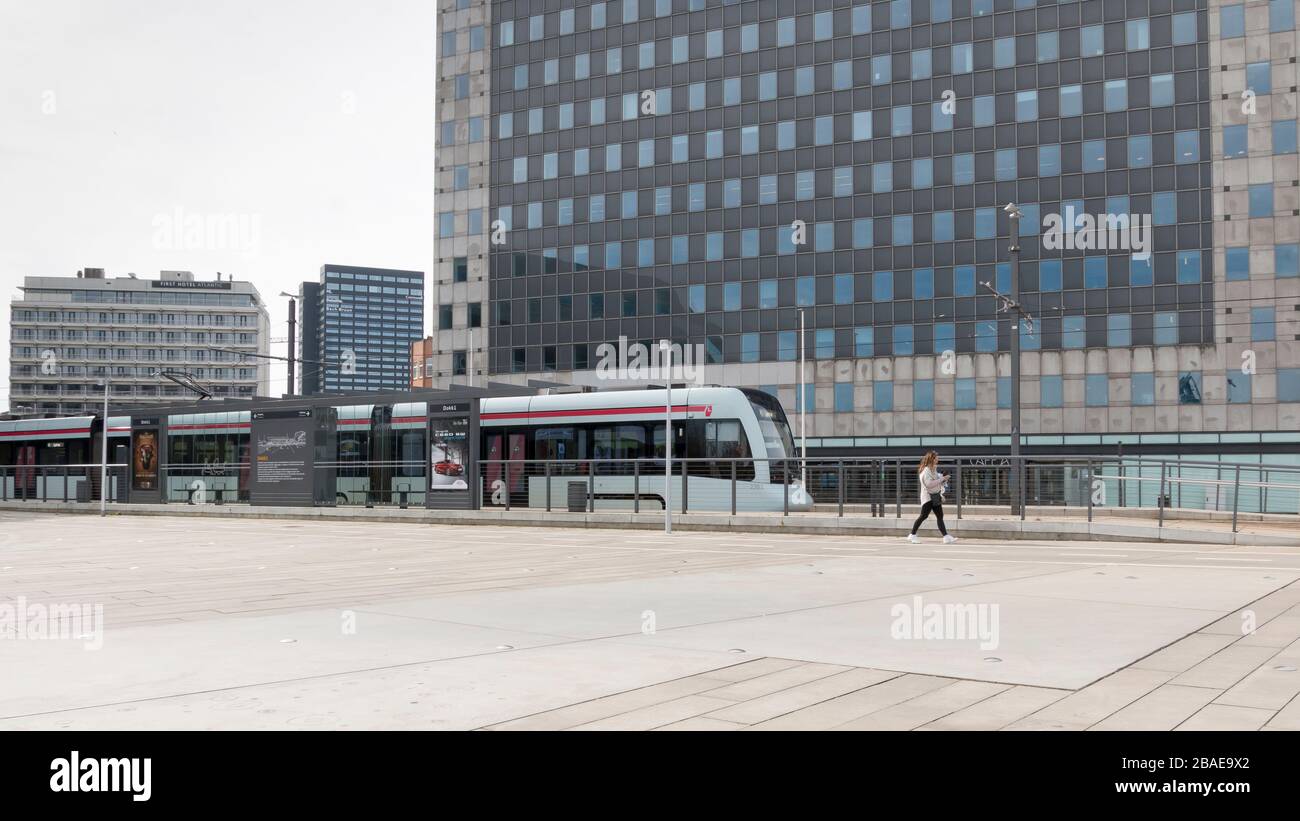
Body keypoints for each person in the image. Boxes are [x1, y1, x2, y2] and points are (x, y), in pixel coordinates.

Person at [908, 451, 956, 544]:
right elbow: (929, 484)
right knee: (923, 516)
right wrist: (942, 479)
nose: (938, 459)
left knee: (940, 516)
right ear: (931, 459)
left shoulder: (933, 469)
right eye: (936, 457)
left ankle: (946, 536)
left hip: (935, 496)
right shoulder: (926, 471)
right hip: (928, 497)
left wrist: (943, 478)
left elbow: (937, 481)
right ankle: (912, 535)